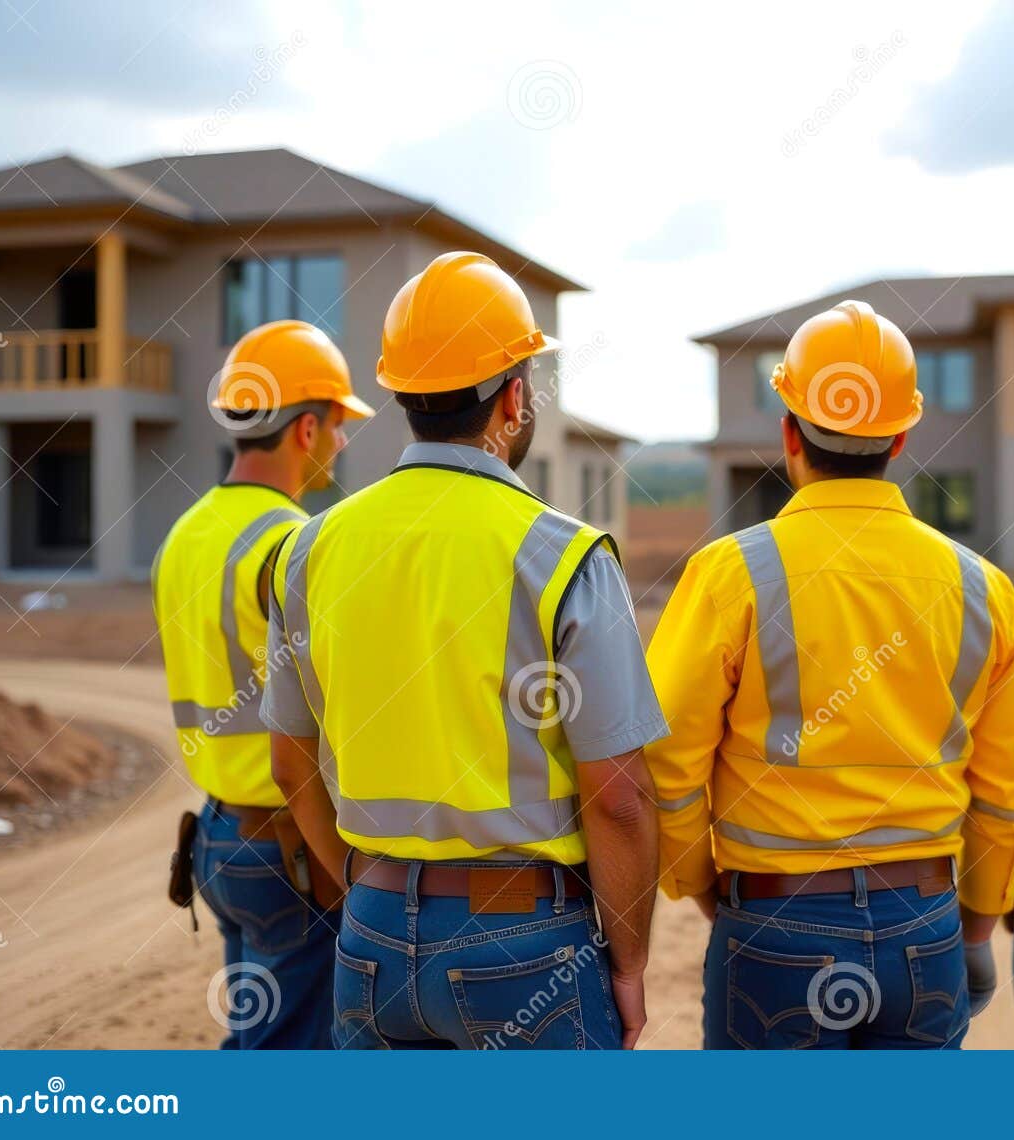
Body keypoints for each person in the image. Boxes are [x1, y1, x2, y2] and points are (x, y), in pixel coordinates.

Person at [260, 251, 666, 1050]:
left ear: (401, 393)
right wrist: (628, 963)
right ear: (513, 398)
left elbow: (287, 764)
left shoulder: (310, 549)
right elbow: (619, 796)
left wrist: (367, 896)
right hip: (526, 940)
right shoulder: (564, 556)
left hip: (370, 933)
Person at [645, 300, 1014, 1049]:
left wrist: (705, 890)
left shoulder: (731, 574)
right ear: (900, 436)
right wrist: (977, 927)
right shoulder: (984, 588)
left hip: (772, 920)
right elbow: (1008, 787)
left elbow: (666, 767)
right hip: (923, 924)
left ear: (788, 431)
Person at [152, 319, 374, 1048]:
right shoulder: (290, 542)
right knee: (295, 1054)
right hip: (289, 844)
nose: (343, 444)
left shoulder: (185, 532)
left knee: (255, 1037)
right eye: (339, 426)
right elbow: (338, 704)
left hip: (219, 834)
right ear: (306, 429)